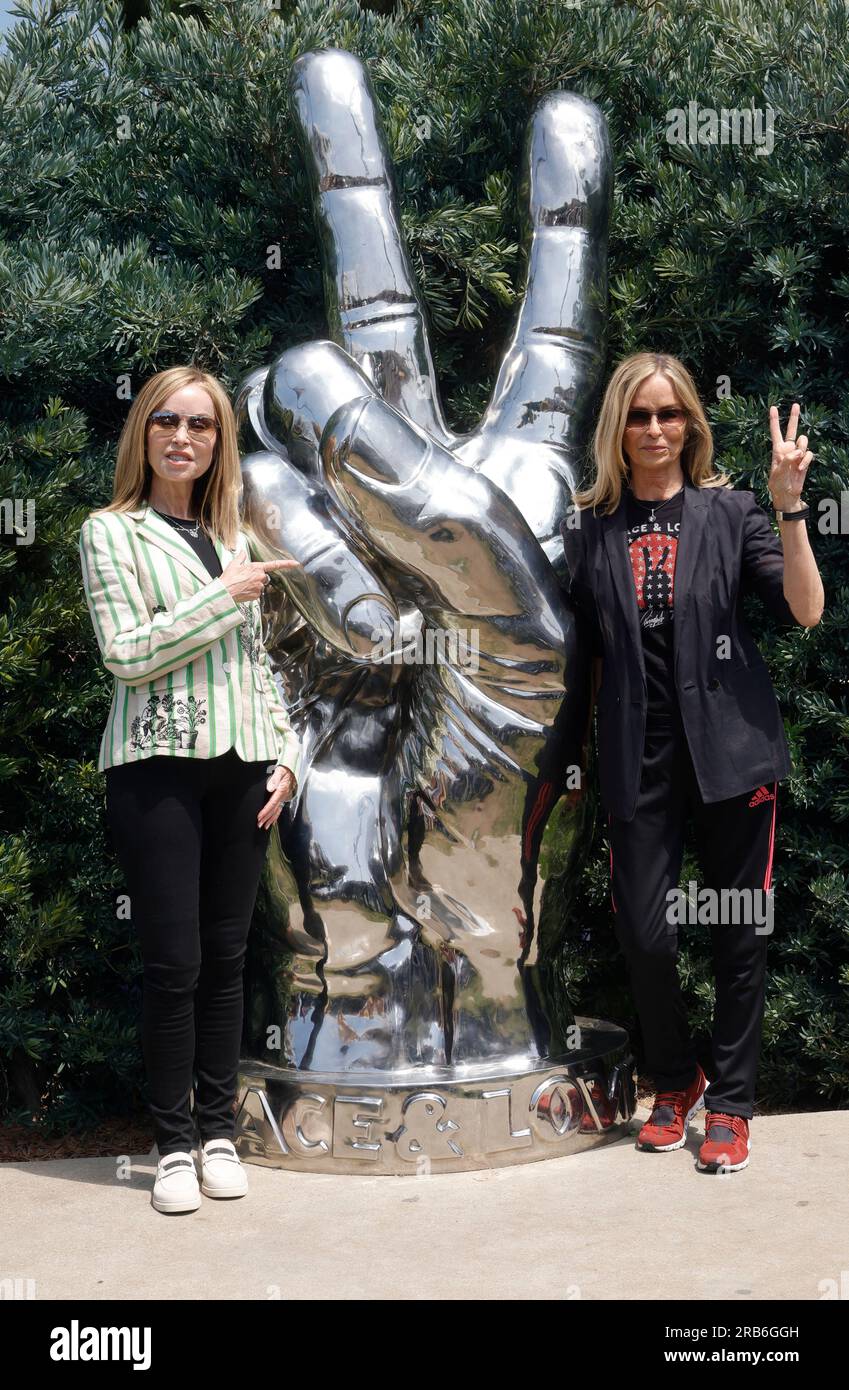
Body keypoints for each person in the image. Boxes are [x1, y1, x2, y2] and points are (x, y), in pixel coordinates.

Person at [561, 352, 823, 1173]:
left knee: (738, 934)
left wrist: (789, 510)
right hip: (636, 756)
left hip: (731, 750)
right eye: (638, 417)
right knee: (644, 934)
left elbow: (806, 611)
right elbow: (574, 655)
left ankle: (733, 1105)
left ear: (690, 425)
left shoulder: (733, 511)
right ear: (617, 427)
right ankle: (674, 1081)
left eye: (669, 414)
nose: (654, 430)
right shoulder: (589, 527)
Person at [79, 365, 302, 1214]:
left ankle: (217, 1133)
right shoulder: (111, 533)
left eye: (201, 426)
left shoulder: (231, 537)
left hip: (243, 774)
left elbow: (255, 668)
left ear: (218, 443)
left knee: (227, 963)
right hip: (156, 771)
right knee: (173, 965)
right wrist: (222, 595)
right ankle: (171, 1146)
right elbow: (126, 654)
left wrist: (287, 758)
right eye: (167, 420)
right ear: (145, 430)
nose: (183, 437)